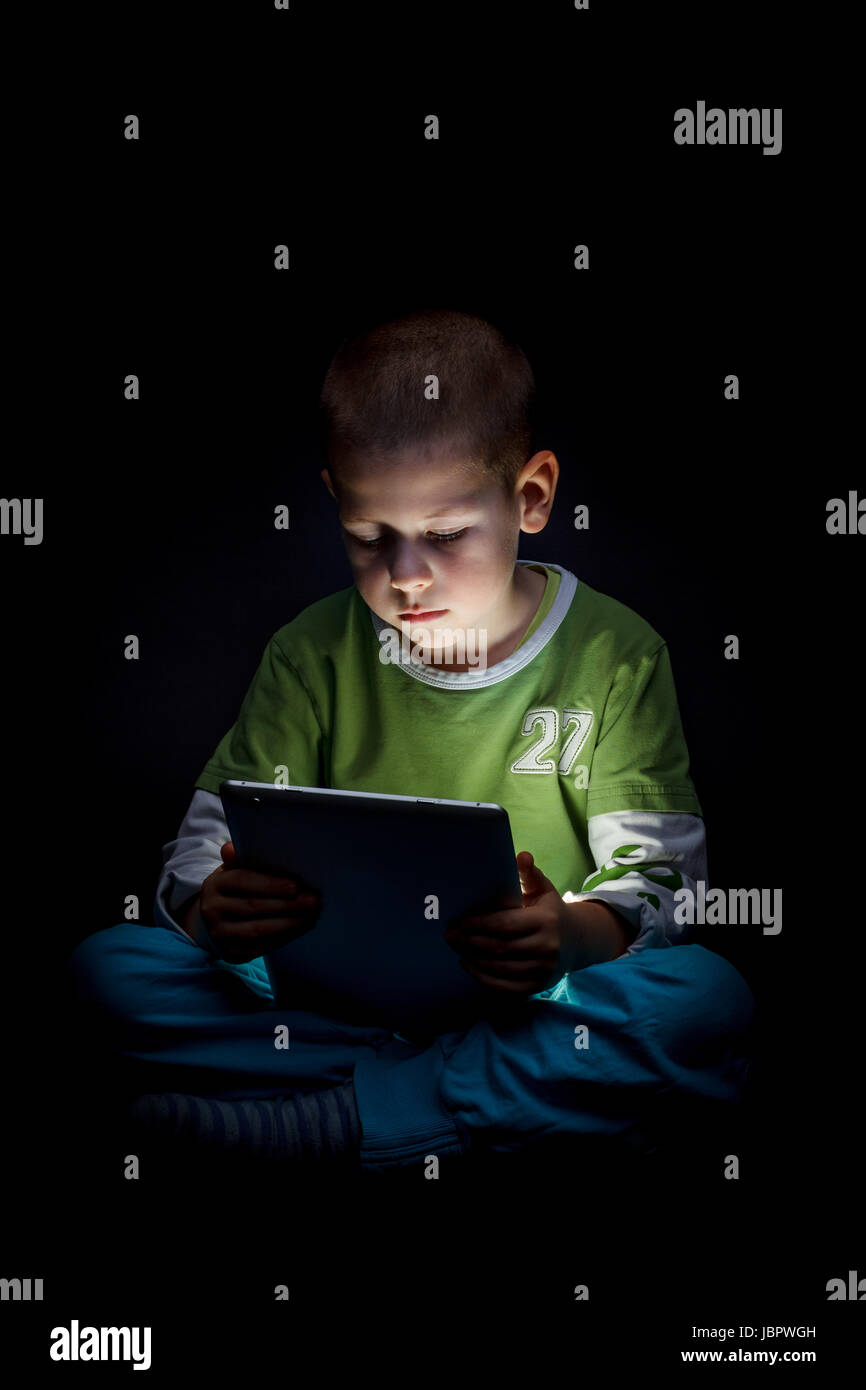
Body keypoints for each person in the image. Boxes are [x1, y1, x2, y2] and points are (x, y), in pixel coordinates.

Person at [66, 308, 755, 1175]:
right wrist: (213, 906)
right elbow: (201, 852)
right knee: (108, 972)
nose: (403, 577)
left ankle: (339, 1121)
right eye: (368, 538)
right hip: (329, 1002)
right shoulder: (309, 653)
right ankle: (466, 1100)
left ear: (531, 498)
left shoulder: (616, 654)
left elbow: (667, 888)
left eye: (443, 535)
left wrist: (573, 934)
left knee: (703, 1002)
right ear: (335, 504)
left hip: (529, 1003)